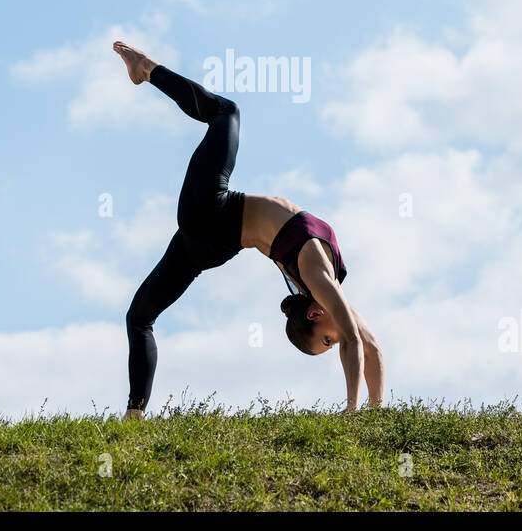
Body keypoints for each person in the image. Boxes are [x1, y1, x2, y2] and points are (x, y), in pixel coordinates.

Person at [113, 41, 385, 420]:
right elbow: (366, 344)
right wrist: (371, 413)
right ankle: (134, 415)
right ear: (313, 316)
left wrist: (357, 414)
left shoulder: (316, 277)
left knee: (227, 112)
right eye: (329, 341)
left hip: (211, 215)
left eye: (328, 339)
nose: (337, 334)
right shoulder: (322, 280)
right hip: (213, 245)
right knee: (139, 317)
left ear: (312, 313)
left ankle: (146, 68)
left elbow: (358, 342)